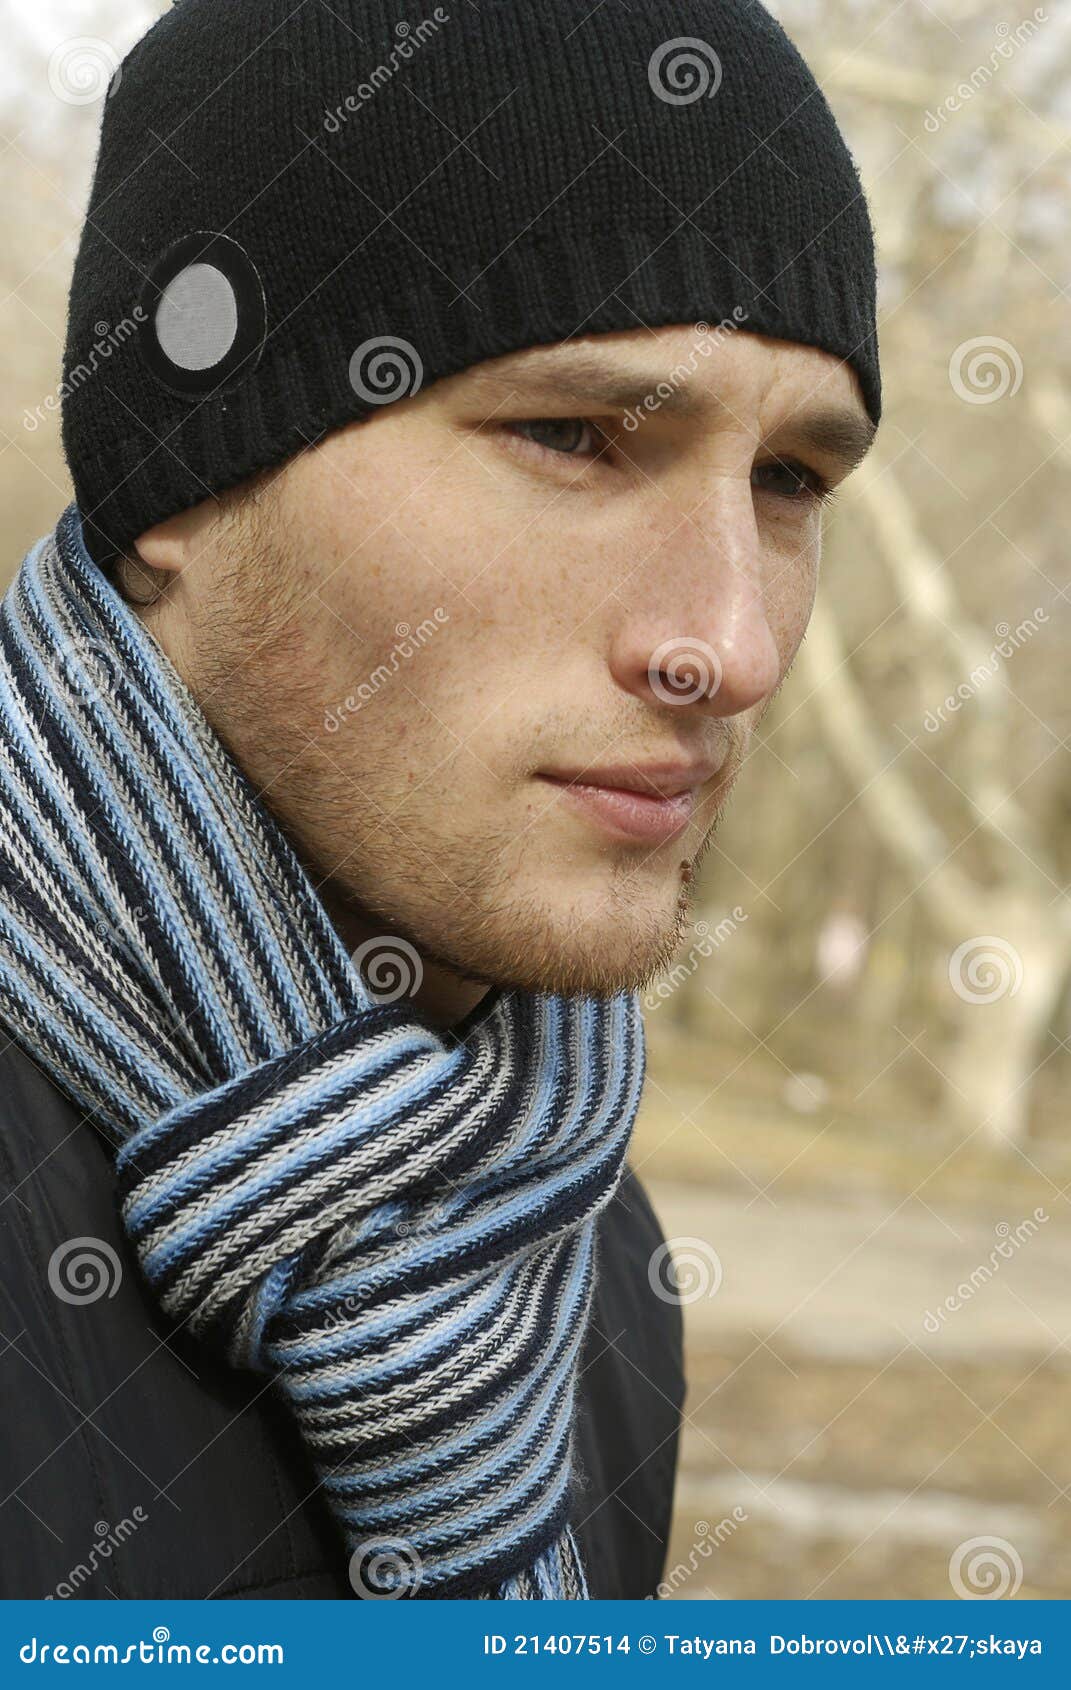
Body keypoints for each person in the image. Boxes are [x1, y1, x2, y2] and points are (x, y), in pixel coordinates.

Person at [0, 0, 880, 1600]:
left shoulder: (570, 1251)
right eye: (575, 436)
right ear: (178, 480)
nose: (731, 645)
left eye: (791, 482)